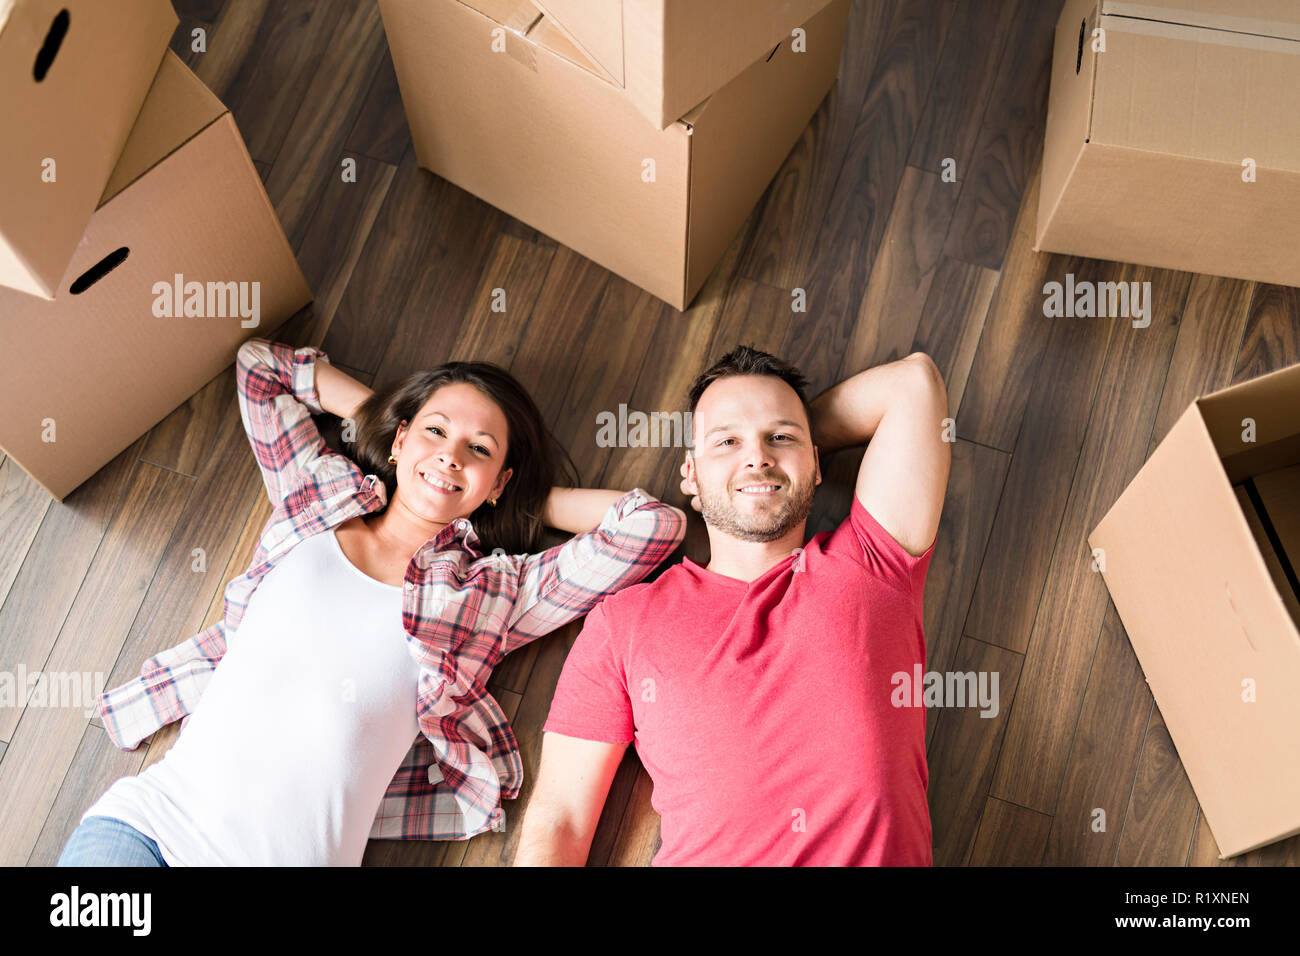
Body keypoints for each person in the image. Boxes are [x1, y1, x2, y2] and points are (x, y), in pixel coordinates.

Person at [57, 337, 685, 866]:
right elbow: (260, 369)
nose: (450, 453)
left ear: (499, 482)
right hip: (145, 831)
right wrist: (388, 418)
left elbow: (653, 527)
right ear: (399, 441)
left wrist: (525, 501)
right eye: (436, 431)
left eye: (480, 449)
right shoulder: (320, 493)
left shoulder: (490, 596)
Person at [515, 345, 950, 866]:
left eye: (779, 437)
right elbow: (559, 821)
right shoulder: (622, 623)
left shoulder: (874, 563)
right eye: (728, 442)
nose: (757, 456)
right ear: (691, 476)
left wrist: (788, 449)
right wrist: (780, 446)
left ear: (816, 463)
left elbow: (914, 383)